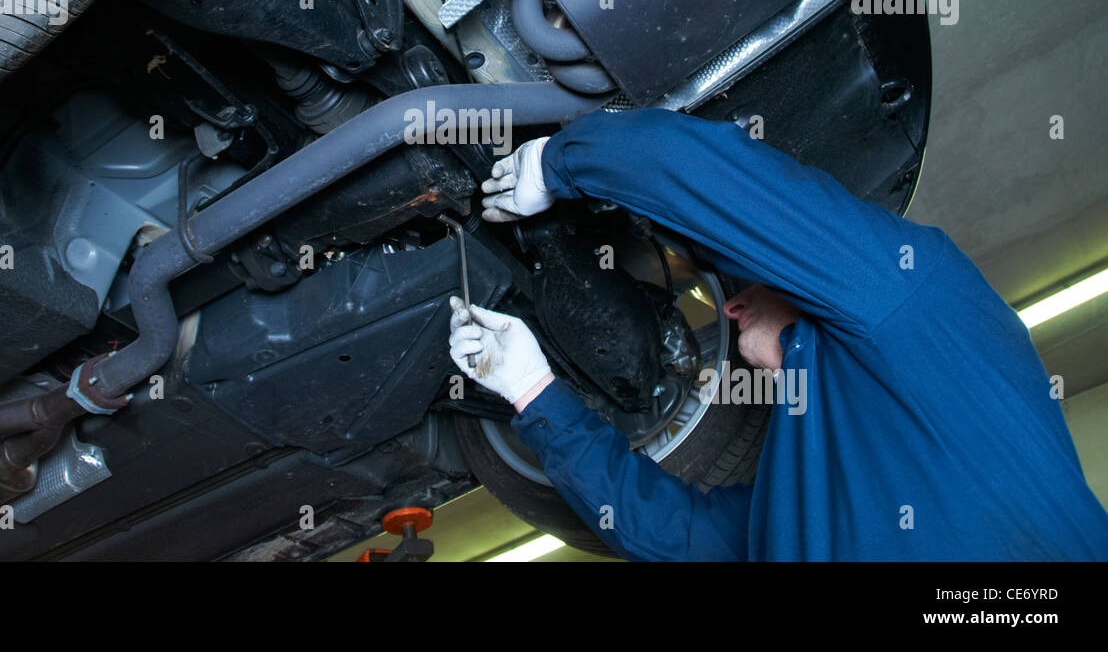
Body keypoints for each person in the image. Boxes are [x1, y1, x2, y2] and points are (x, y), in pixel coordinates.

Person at [449, 108, 1108, 560]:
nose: (728, 310)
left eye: (739, 293)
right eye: (735, 294)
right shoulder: (907, 307)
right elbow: (706, 175)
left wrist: (533, 393)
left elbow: (668, 536)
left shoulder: (918, 314)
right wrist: (559, 163)